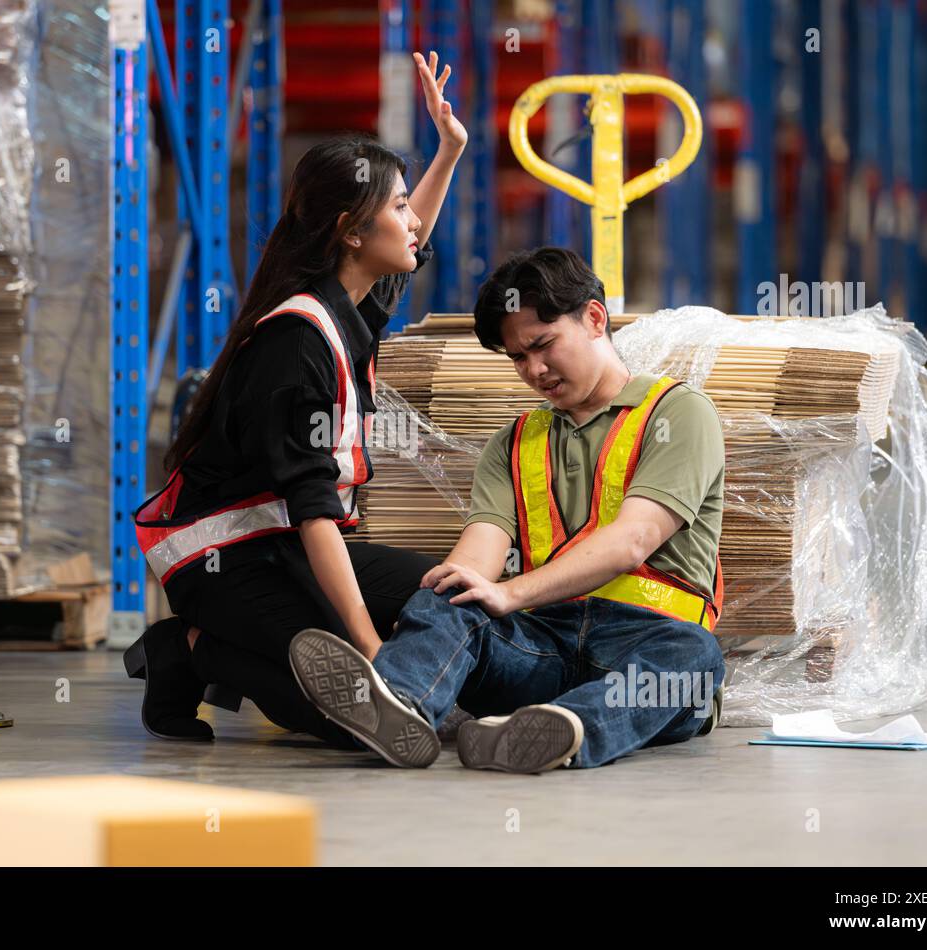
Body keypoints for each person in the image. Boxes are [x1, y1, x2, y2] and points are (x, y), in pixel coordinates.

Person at [126, 52, 467, 746]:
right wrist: (374, 652)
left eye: (406, 205)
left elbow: (410, 247)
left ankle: (332, 662)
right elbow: (313, 510)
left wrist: (450, 149)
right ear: (350, 231)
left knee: (450, 593)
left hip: (286, 543)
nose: (410, 222)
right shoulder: (296, 341)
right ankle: (187, 649)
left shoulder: (345, 305)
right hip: (220, 560)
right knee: (353, 717)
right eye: (397, 208)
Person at [288, 247, 728, 772]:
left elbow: (632, 541)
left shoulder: (677, 414)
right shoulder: (513, 443)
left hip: (645, 645)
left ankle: (562, 729)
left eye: (543, 345)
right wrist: (455, 588)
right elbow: (478, 555)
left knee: (696, 657)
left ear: (593, 318)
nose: (534, 370)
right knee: (446, 592)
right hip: (543, 648)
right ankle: (399, 704)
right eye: (518, 357)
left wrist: (511, 593)